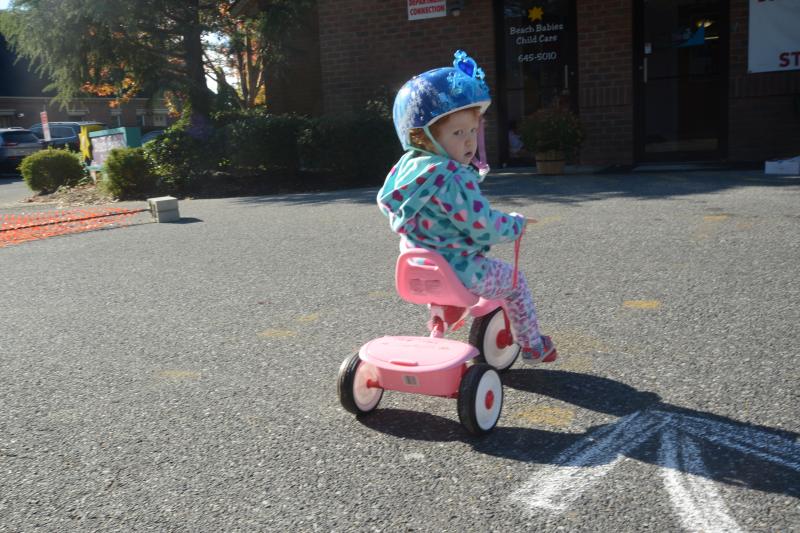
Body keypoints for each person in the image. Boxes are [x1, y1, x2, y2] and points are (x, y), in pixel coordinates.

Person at [377, 50, 557, 365]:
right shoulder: (452, 178)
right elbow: (481, 224)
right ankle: (532, 346)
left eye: (473, 131)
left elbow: (392, 208)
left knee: (450, 265)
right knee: (515, 283)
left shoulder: (406, 170)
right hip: (461, 272)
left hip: (417, 269)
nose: (470, 141)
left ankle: (442, 316)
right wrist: (514, 224)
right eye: (458, 133)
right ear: (426, 137)